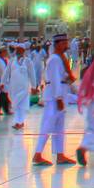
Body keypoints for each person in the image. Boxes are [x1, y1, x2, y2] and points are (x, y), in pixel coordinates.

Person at [32, 33, 76, 166]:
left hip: (60, 93)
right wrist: (58, 98)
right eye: (63, 43)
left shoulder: (62, 58)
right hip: (54, 97)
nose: (66, 45)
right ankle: (38, 154)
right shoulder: (55, 59)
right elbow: (55, 80)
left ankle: (60, 154)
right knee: (48, 125)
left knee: (59, 127)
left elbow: (62, 78)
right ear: (57, 45)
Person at [5, 43, 34, 129]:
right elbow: (6, 72)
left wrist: (34, 86)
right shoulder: (12, 61)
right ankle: (18, 121)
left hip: (24, 88)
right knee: (15, 105)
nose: (18, 51)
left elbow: (32, 74)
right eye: (17, 49)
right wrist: (3, 83)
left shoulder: (28, 61)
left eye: (20, 49)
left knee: (22, 105)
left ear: (23, 51)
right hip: (14, 87)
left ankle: (20, 122)